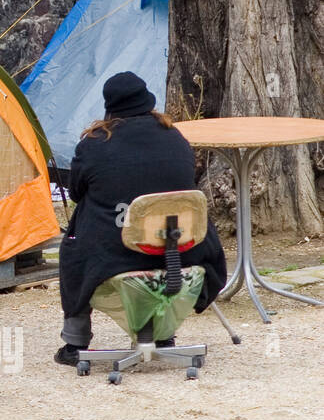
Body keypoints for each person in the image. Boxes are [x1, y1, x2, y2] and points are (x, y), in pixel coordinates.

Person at [55, 72, 227, 366]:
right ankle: (164, 333)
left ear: (110, 107)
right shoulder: (175, 137)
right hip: (185, 250)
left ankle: (75, 341)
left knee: (76, 237)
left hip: (116, 256)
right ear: (147, 101)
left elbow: (75, 193)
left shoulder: (94, 144)